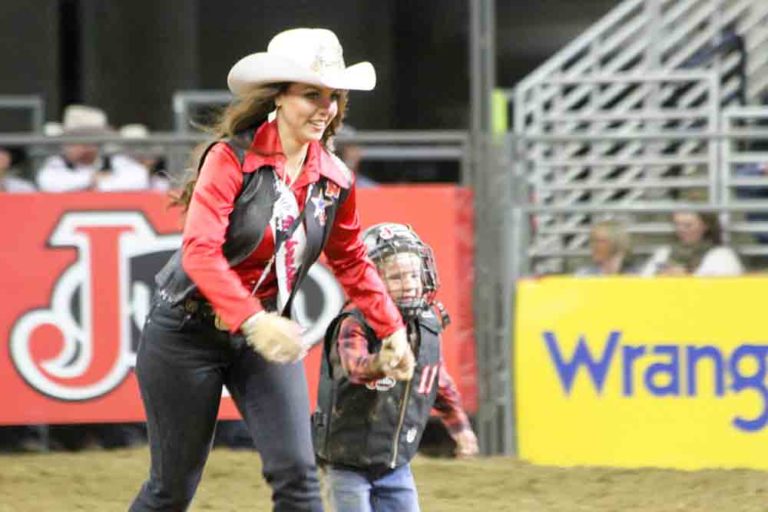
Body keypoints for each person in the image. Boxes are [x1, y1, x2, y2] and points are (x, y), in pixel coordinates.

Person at [129, 28, 413, 512]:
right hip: (186, 333)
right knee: (171, 489)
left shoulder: (335, 179)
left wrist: (391, 328)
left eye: (333, 97)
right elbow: (199, 252)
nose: (325, 108)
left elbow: (350, 258)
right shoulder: (230, 159)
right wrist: (254, 320)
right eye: (311, 95)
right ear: (278, 99)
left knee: (299, 477)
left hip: (263, 337)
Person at [313, 223, 479, 512]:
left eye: (414, 274)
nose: (410, 283)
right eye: (397, 277)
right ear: (372, 281)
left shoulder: (426, 326)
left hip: (395, 464)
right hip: (347, 464)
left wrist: (459, 426)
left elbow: (436, 377)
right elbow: (354, 367)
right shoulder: (354, 323)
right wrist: (383, 362)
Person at [37, 105, 149, 192]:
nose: (83, 145)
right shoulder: (57, 162)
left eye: (88, 139)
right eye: (75, 139)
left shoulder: (111, 160)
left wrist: (101, 184)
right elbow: (47, 182)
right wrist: (91, 179)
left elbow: (139, 177)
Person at [640, 210, 744, 276]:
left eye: (688, 225)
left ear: (705, 226)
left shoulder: (722, 255)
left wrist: (687, 276)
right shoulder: (664, 253)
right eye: (677, 224)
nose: (681, 230)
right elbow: (645, 280)